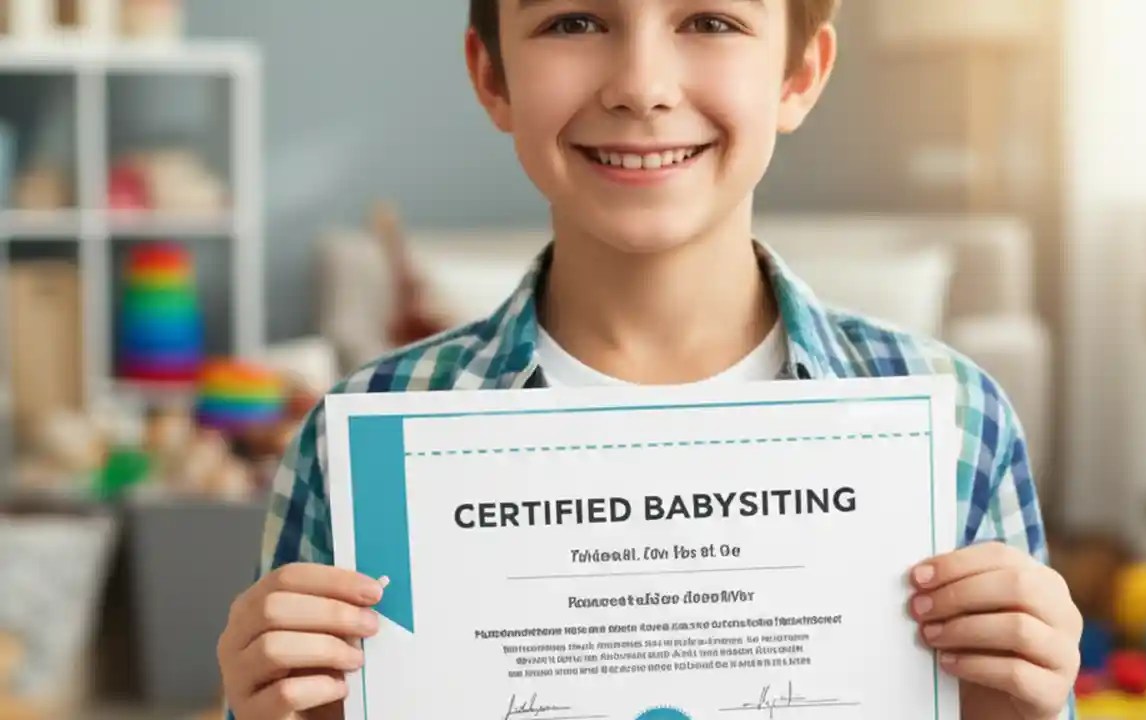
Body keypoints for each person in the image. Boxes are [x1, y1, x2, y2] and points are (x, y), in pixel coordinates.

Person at [216, 1, 1082, 718]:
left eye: (709, 20)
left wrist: (1023, 706)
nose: (640, 87)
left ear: (800, 73)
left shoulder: (954, 415)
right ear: (492, 76)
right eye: (574, 22)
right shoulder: (358, 439)